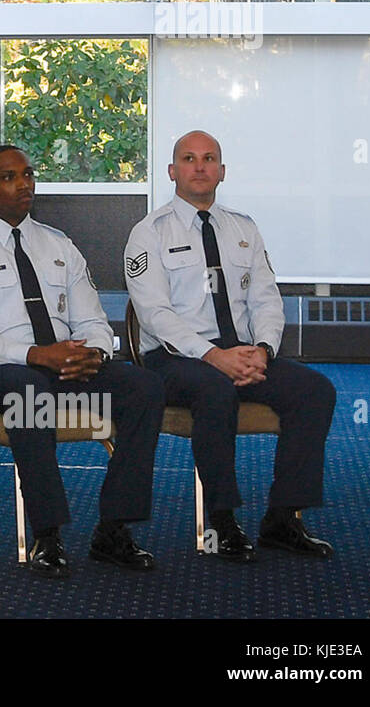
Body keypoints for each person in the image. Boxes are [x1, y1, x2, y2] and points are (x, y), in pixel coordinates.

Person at [0, 145, 164, 578]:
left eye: (28, 174)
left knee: (144, 387)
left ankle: (113, 529)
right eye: (8, 177)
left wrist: (93, 352)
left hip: (64, 366)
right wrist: (37, 355)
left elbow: (93, 319)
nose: (23, 184)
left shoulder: (59, 246)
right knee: (28, 389)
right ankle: (48, 533)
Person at [125, 130, 336, 561]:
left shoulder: (243, 228)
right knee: (214, 388)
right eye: (188, 158)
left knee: (315, 391)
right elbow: (154, 314)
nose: (199, 166)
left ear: (222, 172)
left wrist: (263, 350)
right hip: (175, 359)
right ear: (172, 171)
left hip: (240, 353)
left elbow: (265, 297)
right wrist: (212, 356)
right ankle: (221, 523)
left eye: (208, 158)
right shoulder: (149, 234)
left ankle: (283, 519)